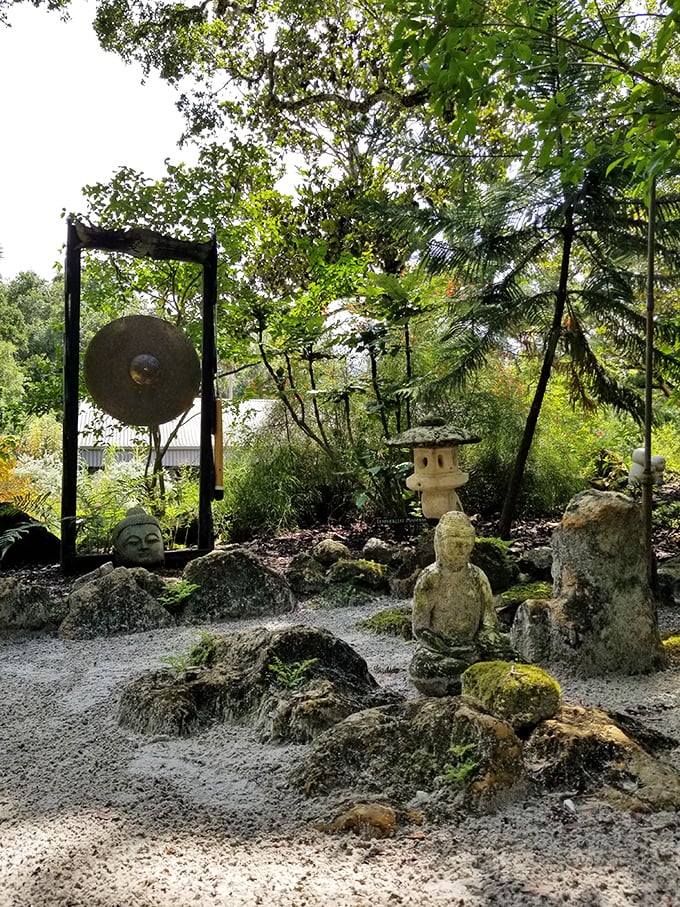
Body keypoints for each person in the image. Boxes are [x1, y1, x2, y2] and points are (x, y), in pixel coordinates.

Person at [409, 510, 513, 695]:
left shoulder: (477, 576)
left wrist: (487, 636)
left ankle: (476, 674)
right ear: (440, 544)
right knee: (423, 667)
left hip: (474, 645)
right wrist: (445, 648)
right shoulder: (430, 579)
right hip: (440, 651)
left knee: (508, 654)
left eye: (466, 544)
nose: (461, 550)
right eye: (454, 544)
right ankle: (474, 676)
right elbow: (420, 628)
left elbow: (489, 617)